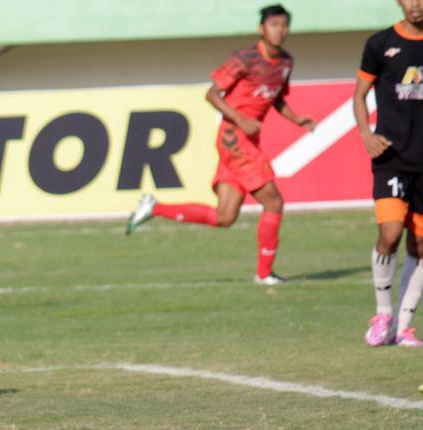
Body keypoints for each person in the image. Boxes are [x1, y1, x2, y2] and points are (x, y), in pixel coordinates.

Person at [126, 4, 316, 285]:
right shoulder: (245, 59)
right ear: (261, 29)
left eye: (284, 25)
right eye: (274, 25)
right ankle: (264, 274)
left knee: (225, 217)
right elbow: (212, 94)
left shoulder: (285, 62)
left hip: (246, 139)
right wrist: (240, 119)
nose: (280, 30)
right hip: (234, 138)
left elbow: (275, 97)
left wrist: (297, 119)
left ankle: (155, 207)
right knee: (274, 201)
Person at [355, 0, 423, 347]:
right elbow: (359, 95)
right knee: (391, 232)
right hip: (391, 157)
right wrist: (366, 134)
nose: (416, 4)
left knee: (420, 246)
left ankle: (404, 327)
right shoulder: (380, 44)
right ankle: (383, 315)